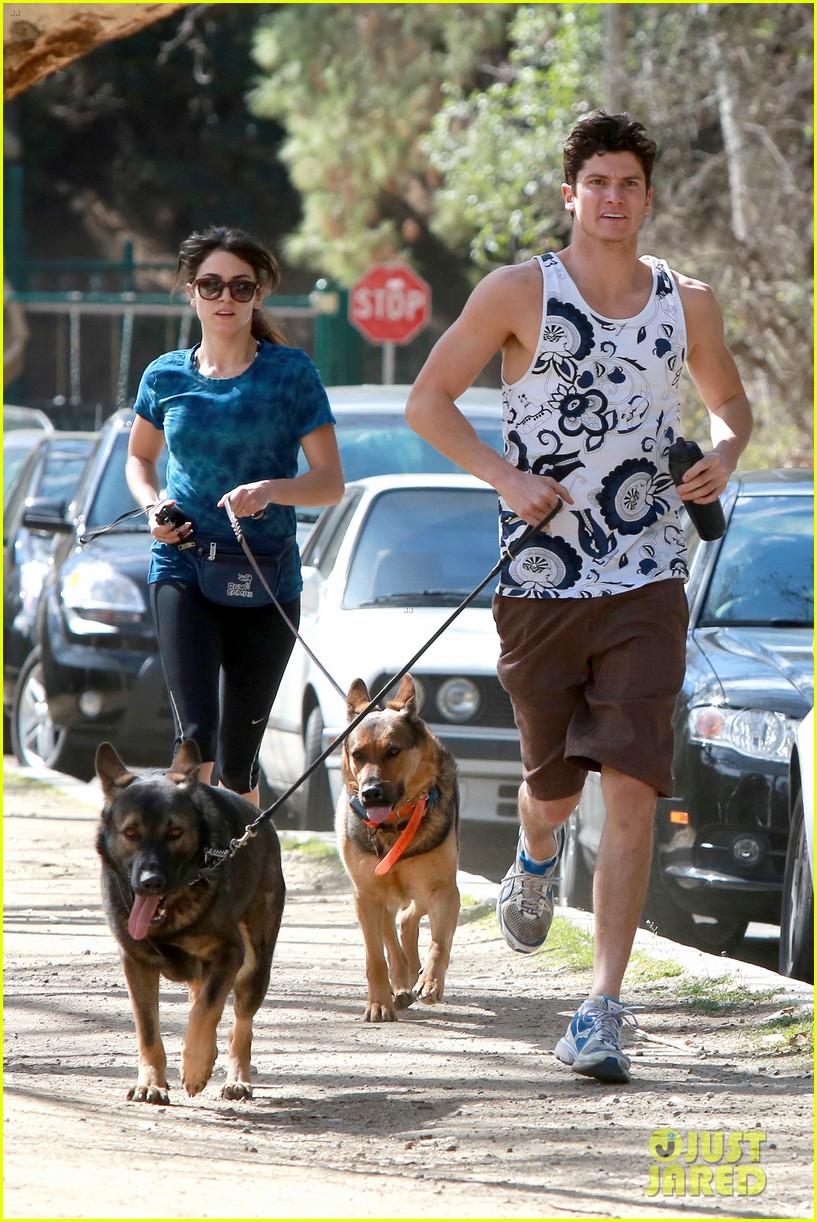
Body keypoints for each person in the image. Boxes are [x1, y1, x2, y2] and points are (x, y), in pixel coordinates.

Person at [406, 111, 753, 1083]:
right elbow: (426, 401)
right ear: (571, 194)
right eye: (595, 182)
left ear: (647, 197)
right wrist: (504, 478)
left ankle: (601, 1004)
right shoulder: (520, 291)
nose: (612, 199)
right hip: (540, 577)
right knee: (555, 790)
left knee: (635, 780)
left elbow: (731, 403)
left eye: (628, 184)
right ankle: (533, 849)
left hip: (648, 571)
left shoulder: (688, 301)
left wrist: (724, 452)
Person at [126, 225, 343, 805]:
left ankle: (236, 874)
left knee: (240, 758)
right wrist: (154, 509)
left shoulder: (291, 373)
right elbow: (139, 461)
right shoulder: (164, 376)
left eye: (241, 287)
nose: (226, 298)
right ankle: (188, 876)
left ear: (259, 295)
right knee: (194, 739)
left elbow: (329, 483)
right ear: (191, 292)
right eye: (212, 285)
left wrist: (271, 490)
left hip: (267, 577)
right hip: (184, 568)